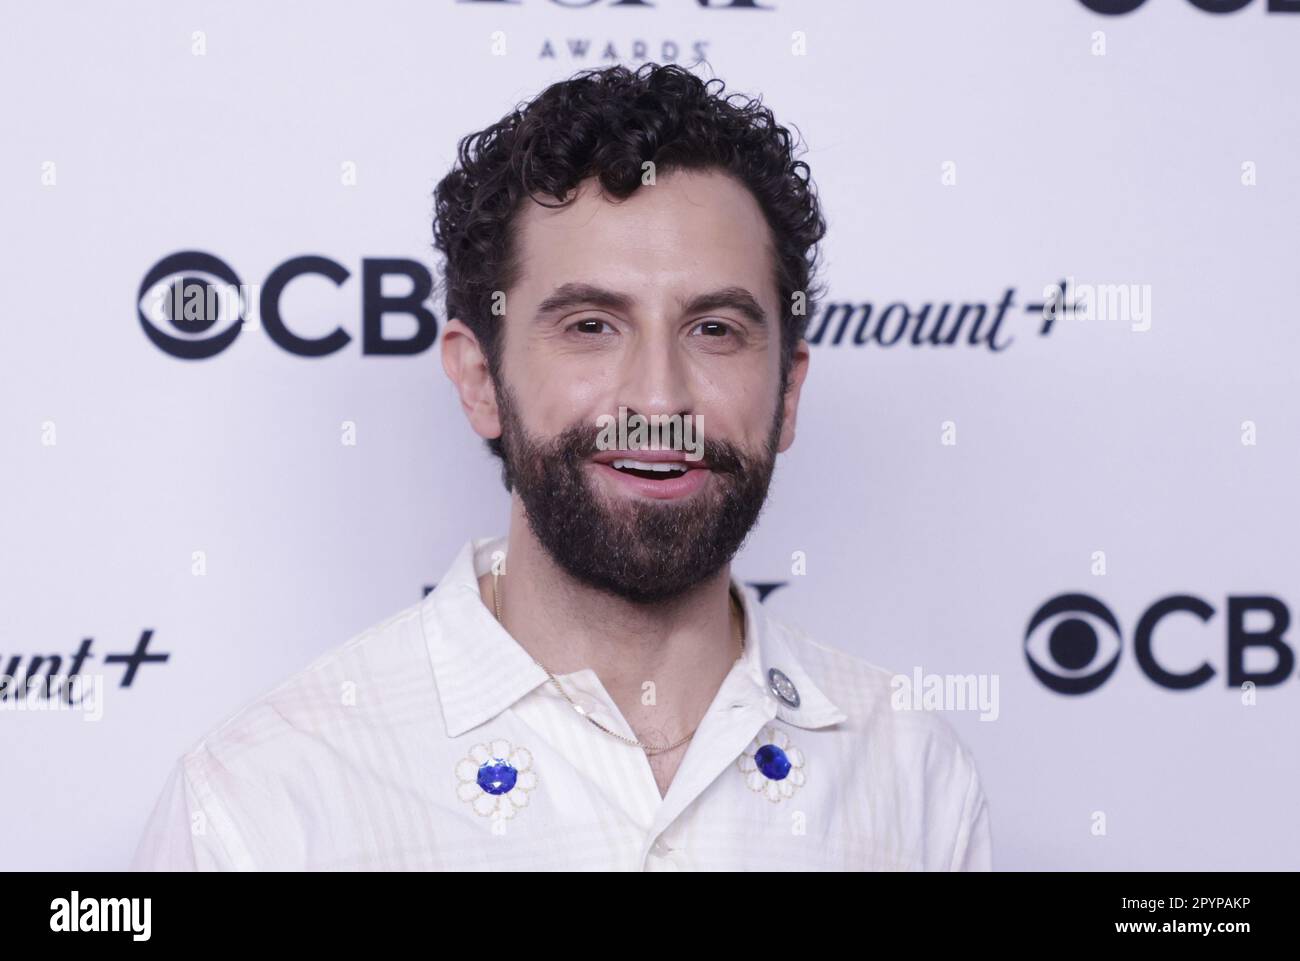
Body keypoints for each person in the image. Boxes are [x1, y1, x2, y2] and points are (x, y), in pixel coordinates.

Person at [132, 62, 991, 871]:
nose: (658, 402)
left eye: (715, 329)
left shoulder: (911, 774)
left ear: (788, 391)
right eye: (590, 325)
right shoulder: (261, 808)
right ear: (480, 379)